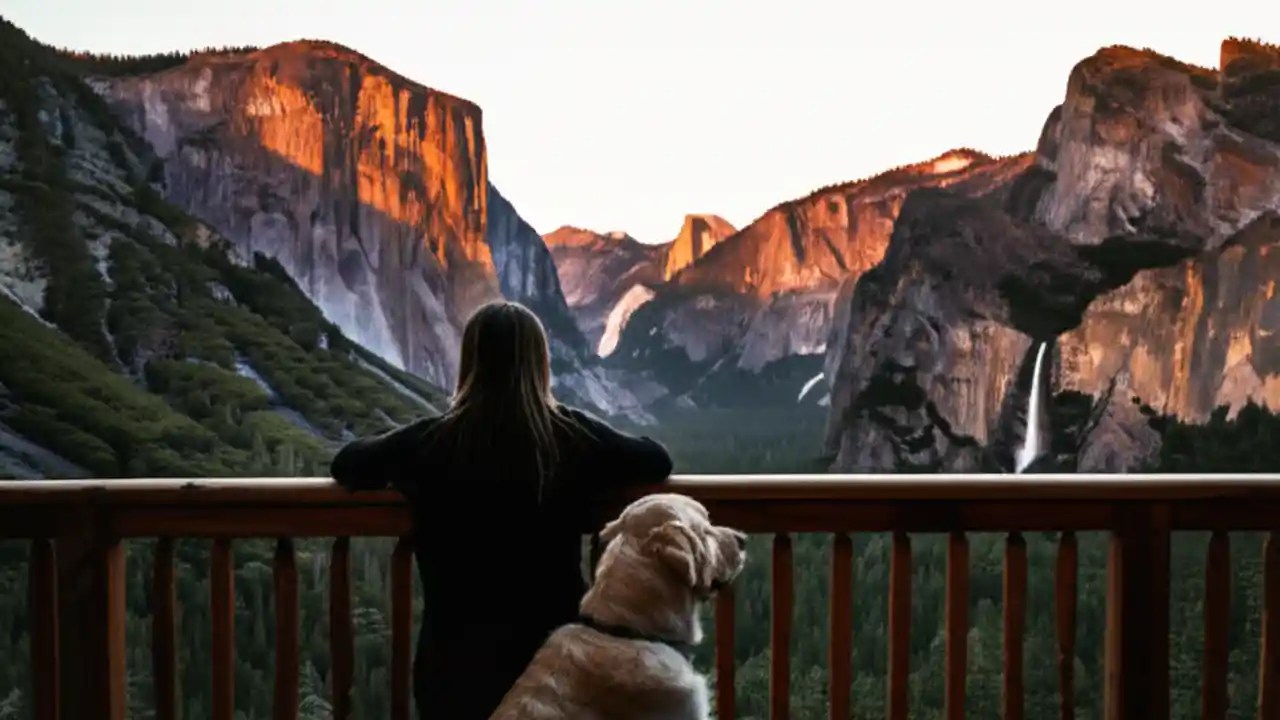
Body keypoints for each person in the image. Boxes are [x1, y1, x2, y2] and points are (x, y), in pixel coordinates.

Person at [330, 300, 673, 719]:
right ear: (540, 365)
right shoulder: (570, 437)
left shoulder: (430, 442)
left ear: (469, 364)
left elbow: (348, 464)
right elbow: (656, 460)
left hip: (454, 672)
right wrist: (580, 420)